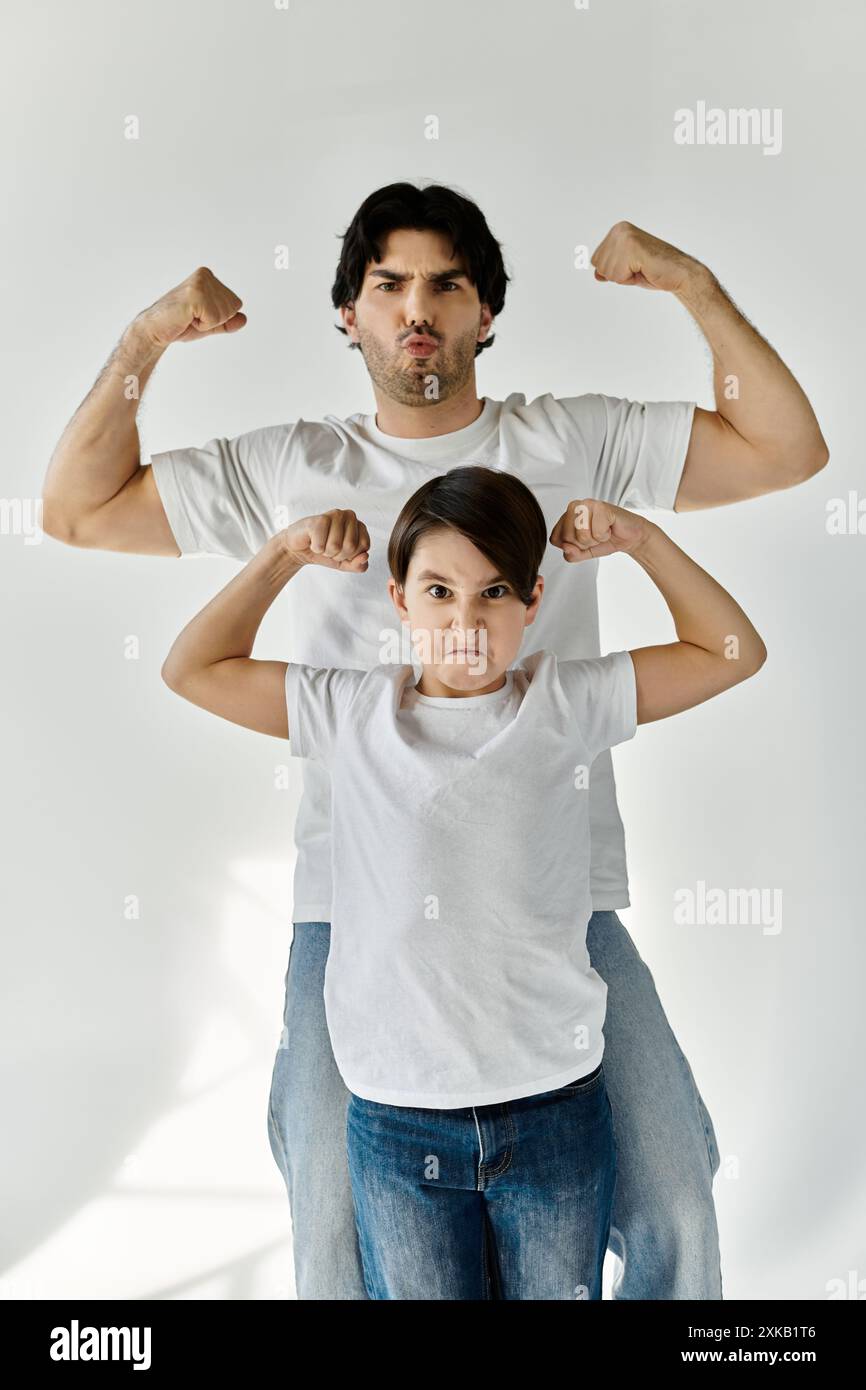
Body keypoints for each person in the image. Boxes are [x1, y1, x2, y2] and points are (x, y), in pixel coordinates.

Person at [41, 181, 828, 1299]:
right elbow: (75, 511)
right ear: (349, 315)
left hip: (553, 904)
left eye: (446, 284)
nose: (418, 306)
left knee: (672, 1192)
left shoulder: (571, 438)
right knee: (330, 1212)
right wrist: (145, 338)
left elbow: (785, 451)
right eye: (388, 283)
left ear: (485, 315)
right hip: (352, 912)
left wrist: (691, 289)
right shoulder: (289, 465)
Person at [158, 466, 766, 1299]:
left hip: (554, 1110)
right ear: (398, 600)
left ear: (534, 601)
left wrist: (644, 542)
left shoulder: (565, 701)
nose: (466, 620)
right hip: (397, 1122)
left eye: (494, 592)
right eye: (439, 591)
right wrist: (281, 557)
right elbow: (191, 668)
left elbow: (732, 651)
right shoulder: (348, 712)